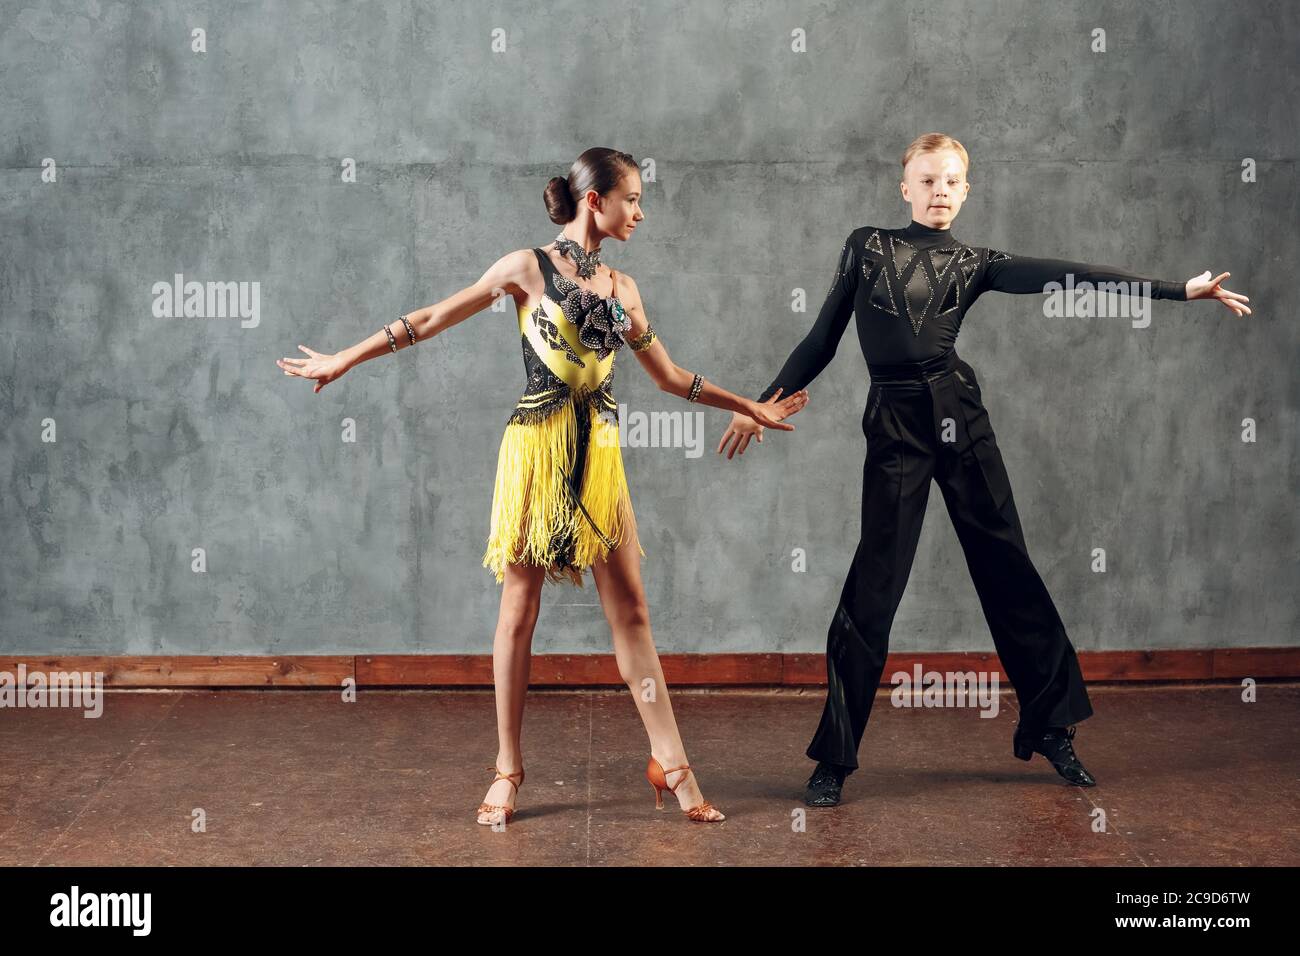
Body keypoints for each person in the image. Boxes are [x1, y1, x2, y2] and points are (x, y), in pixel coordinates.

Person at [278, 147, 809, 825]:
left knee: (633, 614)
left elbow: (671, 377)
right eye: (633, 199)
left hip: (601, 455)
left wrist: (746, 405)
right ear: (597, 201)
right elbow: (434, 317)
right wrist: (345, 358)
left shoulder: (622, 290)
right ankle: (507, 769)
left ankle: (672, 763)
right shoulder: (526, 268)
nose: (641, 212)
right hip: (536, 448)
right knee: (519, 611)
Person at [718, 132, 1251, 807]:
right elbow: (821, 337)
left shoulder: (974, 262)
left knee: (1007, 565)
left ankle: (1052, 727)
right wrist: (755, 404)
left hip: (959, 417)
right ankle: (834, 757)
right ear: (904, 186)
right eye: (927, 180)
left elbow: (1070, 275)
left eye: (951, 182)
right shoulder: (867, 246)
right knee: (873, 587)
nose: (940, 191)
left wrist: (1180, 290)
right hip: (896, 427)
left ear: (966, 190)